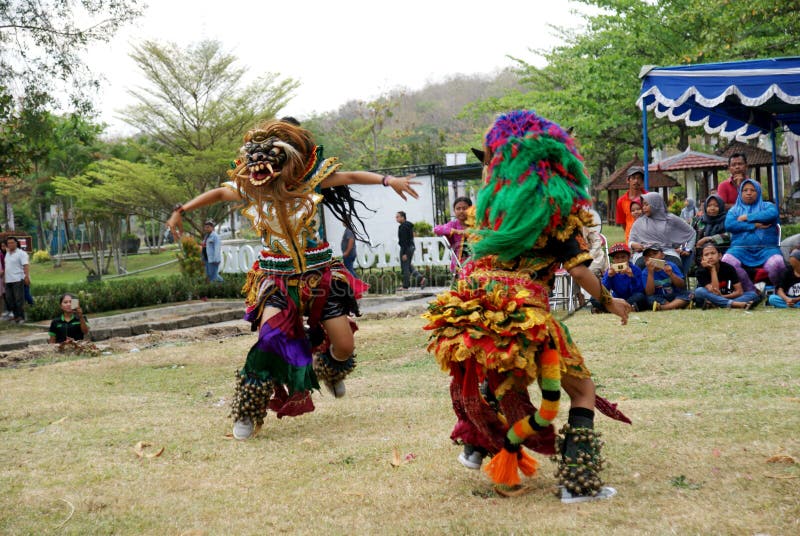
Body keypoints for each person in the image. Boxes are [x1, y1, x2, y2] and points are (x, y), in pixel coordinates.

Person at [424, 110, 631, 503]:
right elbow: (580, 272)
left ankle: (476, 447)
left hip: (478, 312)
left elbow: (475, 263)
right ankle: (578, 485)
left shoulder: (487, 212)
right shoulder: (557, 215)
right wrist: (609, 301)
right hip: (527, 314)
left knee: (502, 379)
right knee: (582, 390)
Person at [166, 119, 419, 440]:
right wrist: (181, 210)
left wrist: (388, 180)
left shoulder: (312, 183)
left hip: (320, 276)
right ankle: (247, 411)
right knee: (269, 340)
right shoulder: (251, 189)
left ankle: (328, 370)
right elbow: (218, 193)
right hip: (277, 279)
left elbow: (352, 176)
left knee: (344, 346)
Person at [722, 179, 785, 293]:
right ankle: (751, 291)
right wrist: (753, 225)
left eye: (752, 190)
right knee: (727, 261)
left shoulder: (768, 206)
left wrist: (747, 217)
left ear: (758, 192)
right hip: (740, 250)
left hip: (767, 250)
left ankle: (778, 292)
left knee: (777, 263)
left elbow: (771, 214)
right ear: (740, 193)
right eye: (745, 190)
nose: (749, 193)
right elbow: (729, 225)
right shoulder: (734, 210)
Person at [629, 192, 696, 276]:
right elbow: (631, 241)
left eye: (646, 204)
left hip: (667, 251)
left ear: (656, 204)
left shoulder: (670, 219)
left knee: (675, 266)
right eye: (643, 205)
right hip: (645, 252)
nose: (644, 208)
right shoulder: (639, 222)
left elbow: (691, 233)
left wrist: (688, 249)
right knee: (640, 266)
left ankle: (677, 284)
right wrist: (633, 245)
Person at [693, 243, 758, 309]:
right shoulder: (700, 271)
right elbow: (715, 292)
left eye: (713, 253)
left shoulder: (728, 268)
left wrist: (722, 298)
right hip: (707, 298)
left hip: (718, 299)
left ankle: (719, 304)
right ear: (702, 259)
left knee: (752, 295)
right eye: (706, 255)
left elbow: (739, 292)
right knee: (699, 291)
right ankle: (735, 304)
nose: (710, 257)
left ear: (720, 256)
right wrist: (713, 270)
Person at [598, 242, 647, 312]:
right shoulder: (610, 271)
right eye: (617, 258)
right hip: (617, 299)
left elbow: (639, 290)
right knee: (595, 298)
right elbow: (604, 290)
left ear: (629, 257)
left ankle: (613, 309)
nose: (620, 260)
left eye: (623, 257)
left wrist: (631, 276)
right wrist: (609, 277)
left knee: (640, 297)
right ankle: (627, 308)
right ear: (613, 259)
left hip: (632, 298)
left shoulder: (635, 269)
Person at [641, 245, 692, 311]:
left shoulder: (671, 266)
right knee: (649, 299)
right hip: (659, 297)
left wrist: (671, 274)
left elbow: (682, 285)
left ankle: (665, 307)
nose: (652, 257)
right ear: (645, 260)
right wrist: (650, 273)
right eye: (648, 256)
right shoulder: (645, 272)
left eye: (655, 253)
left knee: (689, 294)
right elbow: (649, 293)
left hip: (675, 295)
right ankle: (677, 305)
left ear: (663, 255)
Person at [434, 196, 472, 274]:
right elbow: (437, 229)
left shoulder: (476, 224)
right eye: (458, 209)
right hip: (459, 264)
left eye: (464, 208)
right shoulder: (453, 224)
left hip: (478, 262)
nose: (461, 211)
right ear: (454, 211)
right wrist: (456, 231)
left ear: (471, 209)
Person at [1, 237, 30, 324]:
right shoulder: (7, 254)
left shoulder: (21, 253)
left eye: (12, 242)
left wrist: (26, 277)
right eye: (8, 243)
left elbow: (26, 266)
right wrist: (4, 278)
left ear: (16, 243)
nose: (10, 244)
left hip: (18, 279)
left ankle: (21, 317)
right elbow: (7, 267)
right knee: (9, 299)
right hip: (8, 280)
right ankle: (15, 316)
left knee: (19, 299)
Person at [615, 166, 647, 243]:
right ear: (628, 180)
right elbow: (623, 223)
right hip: (630, 241)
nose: (636, 181)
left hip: (647, 239)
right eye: (633, 178)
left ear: (642, 181)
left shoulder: (648, 197)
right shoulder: (621, 201)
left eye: (639, 178)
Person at [396, 211, 426, 289]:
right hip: (411, 247)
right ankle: (421, 279)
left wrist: (404, 253)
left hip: (406, 248)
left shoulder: (403, 227)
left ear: (403, 217)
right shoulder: (408, 225)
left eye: (398, 217)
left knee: (405, 267)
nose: (396, 218)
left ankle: (405, 286)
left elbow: (404, 240)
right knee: (408, 266)